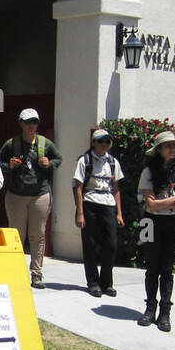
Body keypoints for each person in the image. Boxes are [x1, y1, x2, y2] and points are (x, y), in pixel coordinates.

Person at [0, 107, 62, 289]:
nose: (31, 126)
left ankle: (36, 275)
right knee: (16, 236)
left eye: (34, 122)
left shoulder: (45, 143)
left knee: (37, 236)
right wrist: (8, 165)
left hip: (40, 195)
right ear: (21, 123)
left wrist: (49, 163)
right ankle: (16, 273)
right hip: (16, 196)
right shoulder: (12, 144)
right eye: (27, 122)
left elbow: (59, 159)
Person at [137, 129, 175, 331]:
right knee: (152, 267)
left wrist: (165, 203)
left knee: (167, 269)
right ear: (159, 149)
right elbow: (150, 206)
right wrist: (172, 200)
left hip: (173, 223)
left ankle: (165, 312)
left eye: (173, 146)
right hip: (149, 223)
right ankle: (149, 308)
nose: (172, 149)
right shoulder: (148, 172)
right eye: (168, 146)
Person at [72, 126, 124, 297]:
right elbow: (78, 187)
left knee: (111, 244)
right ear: (93, 143)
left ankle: (106, 282)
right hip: (90, 202)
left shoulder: (112, 162)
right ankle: (93, 283)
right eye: (100, 141)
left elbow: (116, 189)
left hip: (108, 204)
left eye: (107, 141)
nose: (104, 144)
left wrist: (119, 213)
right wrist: (80, 213)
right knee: (90, 244)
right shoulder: (85, 161)